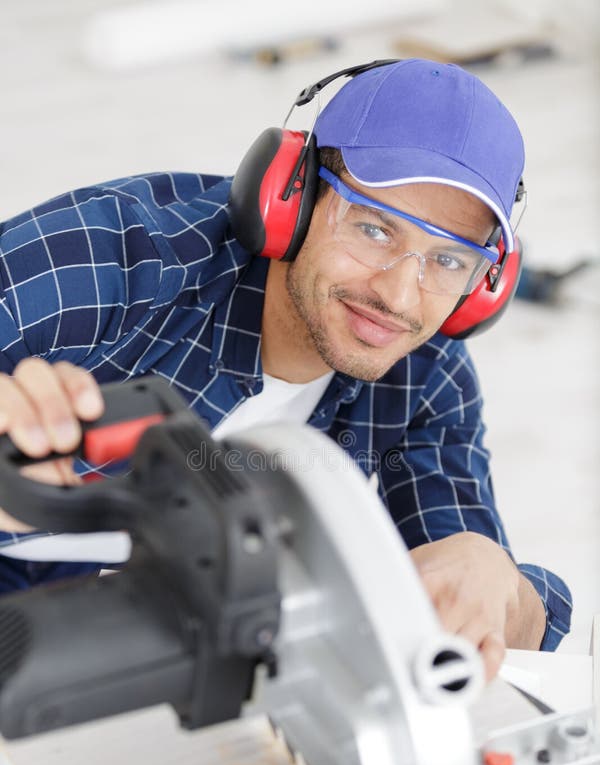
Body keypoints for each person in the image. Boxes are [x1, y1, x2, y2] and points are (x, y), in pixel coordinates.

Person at [0, 59, 571, 679]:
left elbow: (466, 630)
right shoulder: (108, 264)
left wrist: (498, 580)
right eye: (374, 229)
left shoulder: (428, 376)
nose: (402, 298)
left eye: (449, 260)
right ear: (289, 196)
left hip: (157, 659)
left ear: (489, 283)